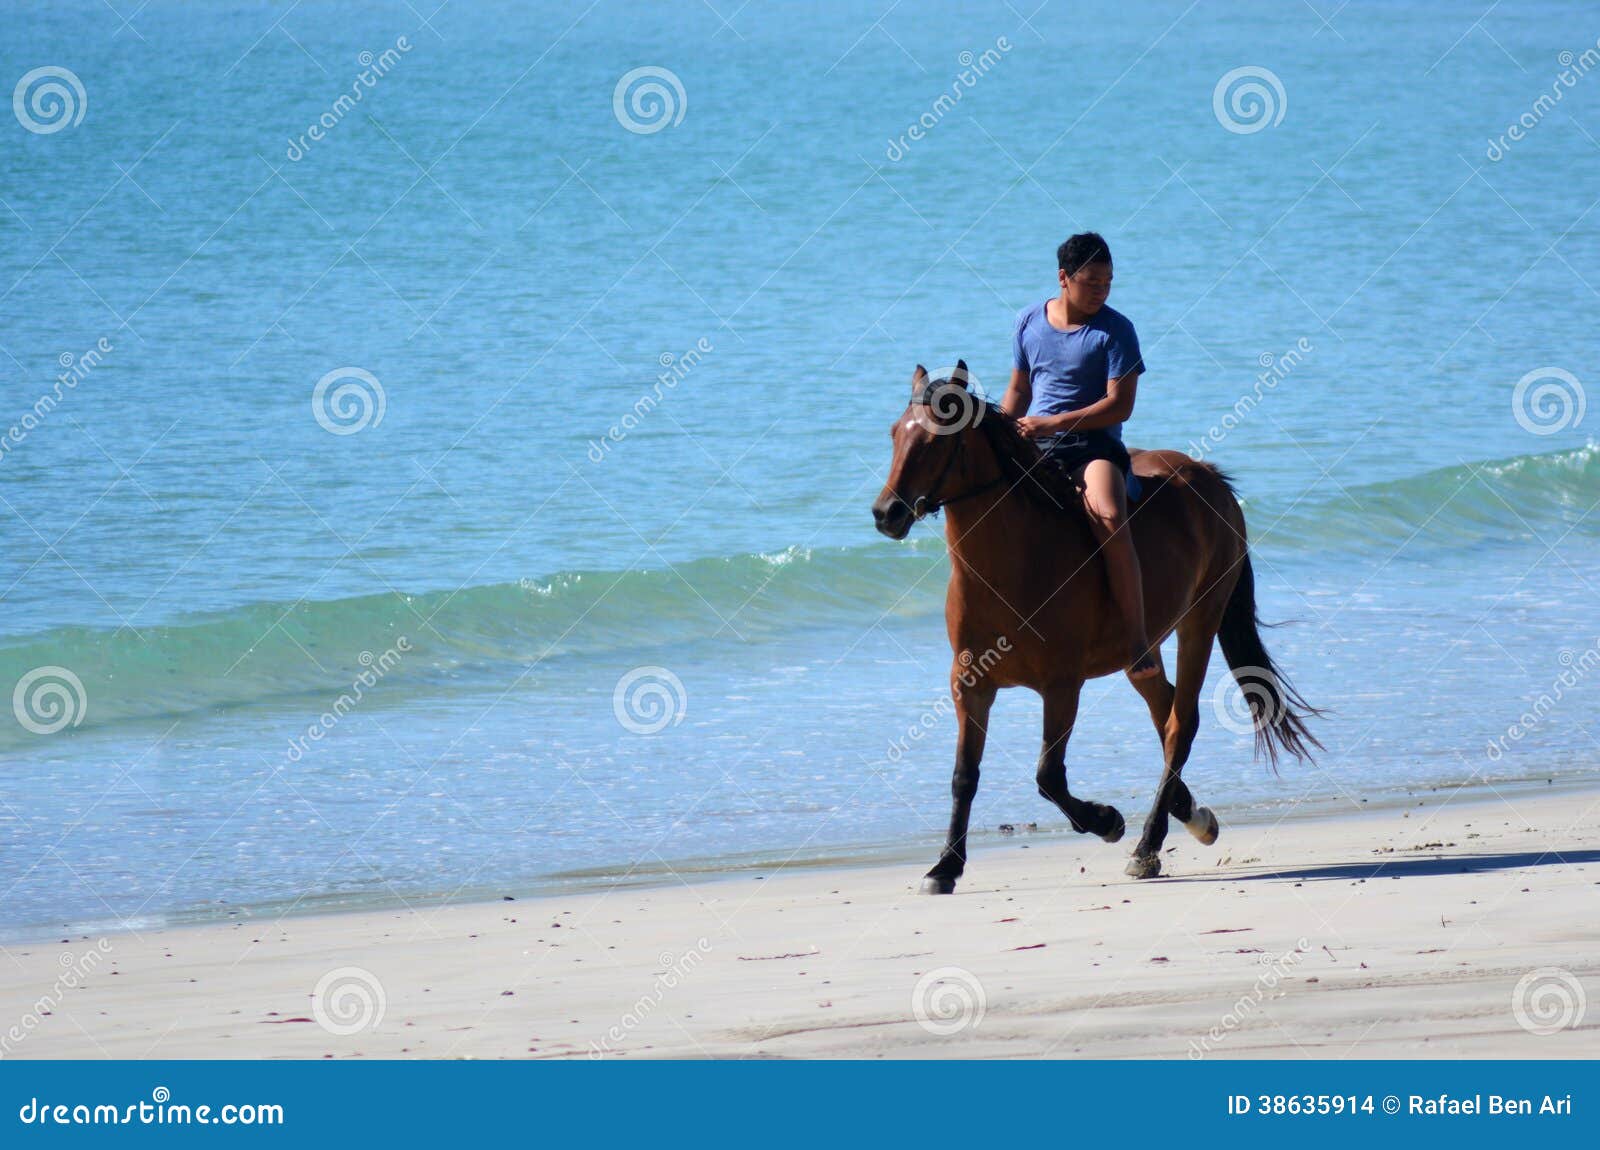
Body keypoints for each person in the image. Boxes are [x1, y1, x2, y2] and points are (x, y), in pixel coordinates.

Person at [1000, 232, 1158, 680]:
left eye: (1107, 283)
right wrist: (1001, 432)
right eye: (1092, 283)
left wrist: (1052, 423)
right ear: (1063, 278)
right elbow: (1019, 390)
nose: (1101, 292)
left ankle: (1136, 638)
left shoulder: (1116, 331)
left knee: (1109, 515)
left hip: (1093, 448)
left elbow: (1119, 405)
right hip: (1035, 446)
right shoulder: (1030, 321)